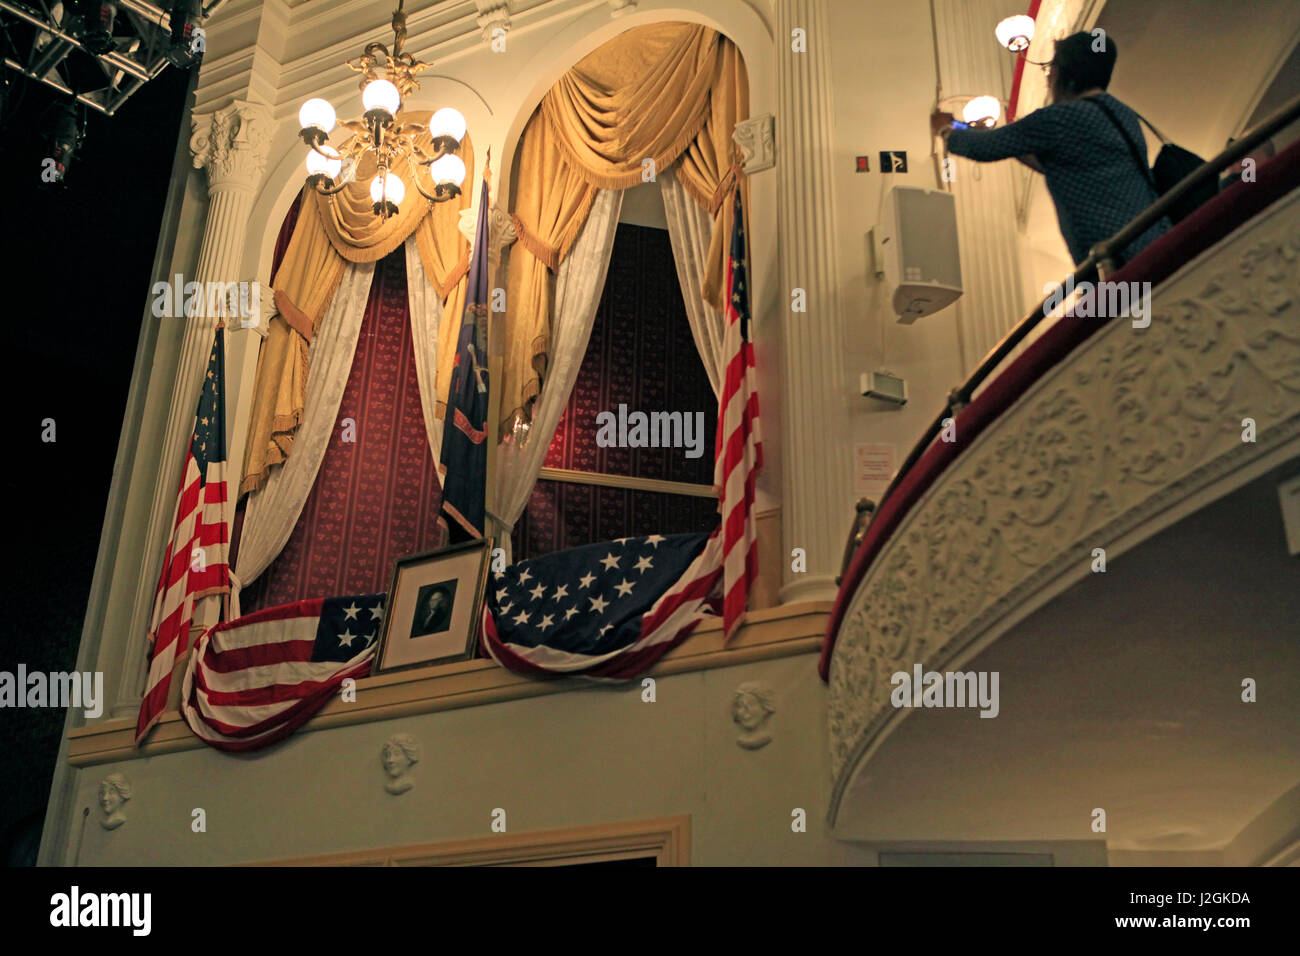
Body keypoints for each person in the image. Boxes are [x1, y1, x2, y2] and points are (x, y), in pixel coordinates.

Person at [932, 31, 1170, 267]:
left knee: (1125, 306)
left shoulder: (1060, 118)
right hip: (1158, 242)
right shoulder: (1123, 114)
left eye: (1051, 68)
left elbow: (984, 148)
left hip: (1118, 258)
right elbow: (1074, 167)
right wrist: (1017, 144)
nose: (1048, 79)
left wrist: (946, 130)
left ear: (1068, 73)